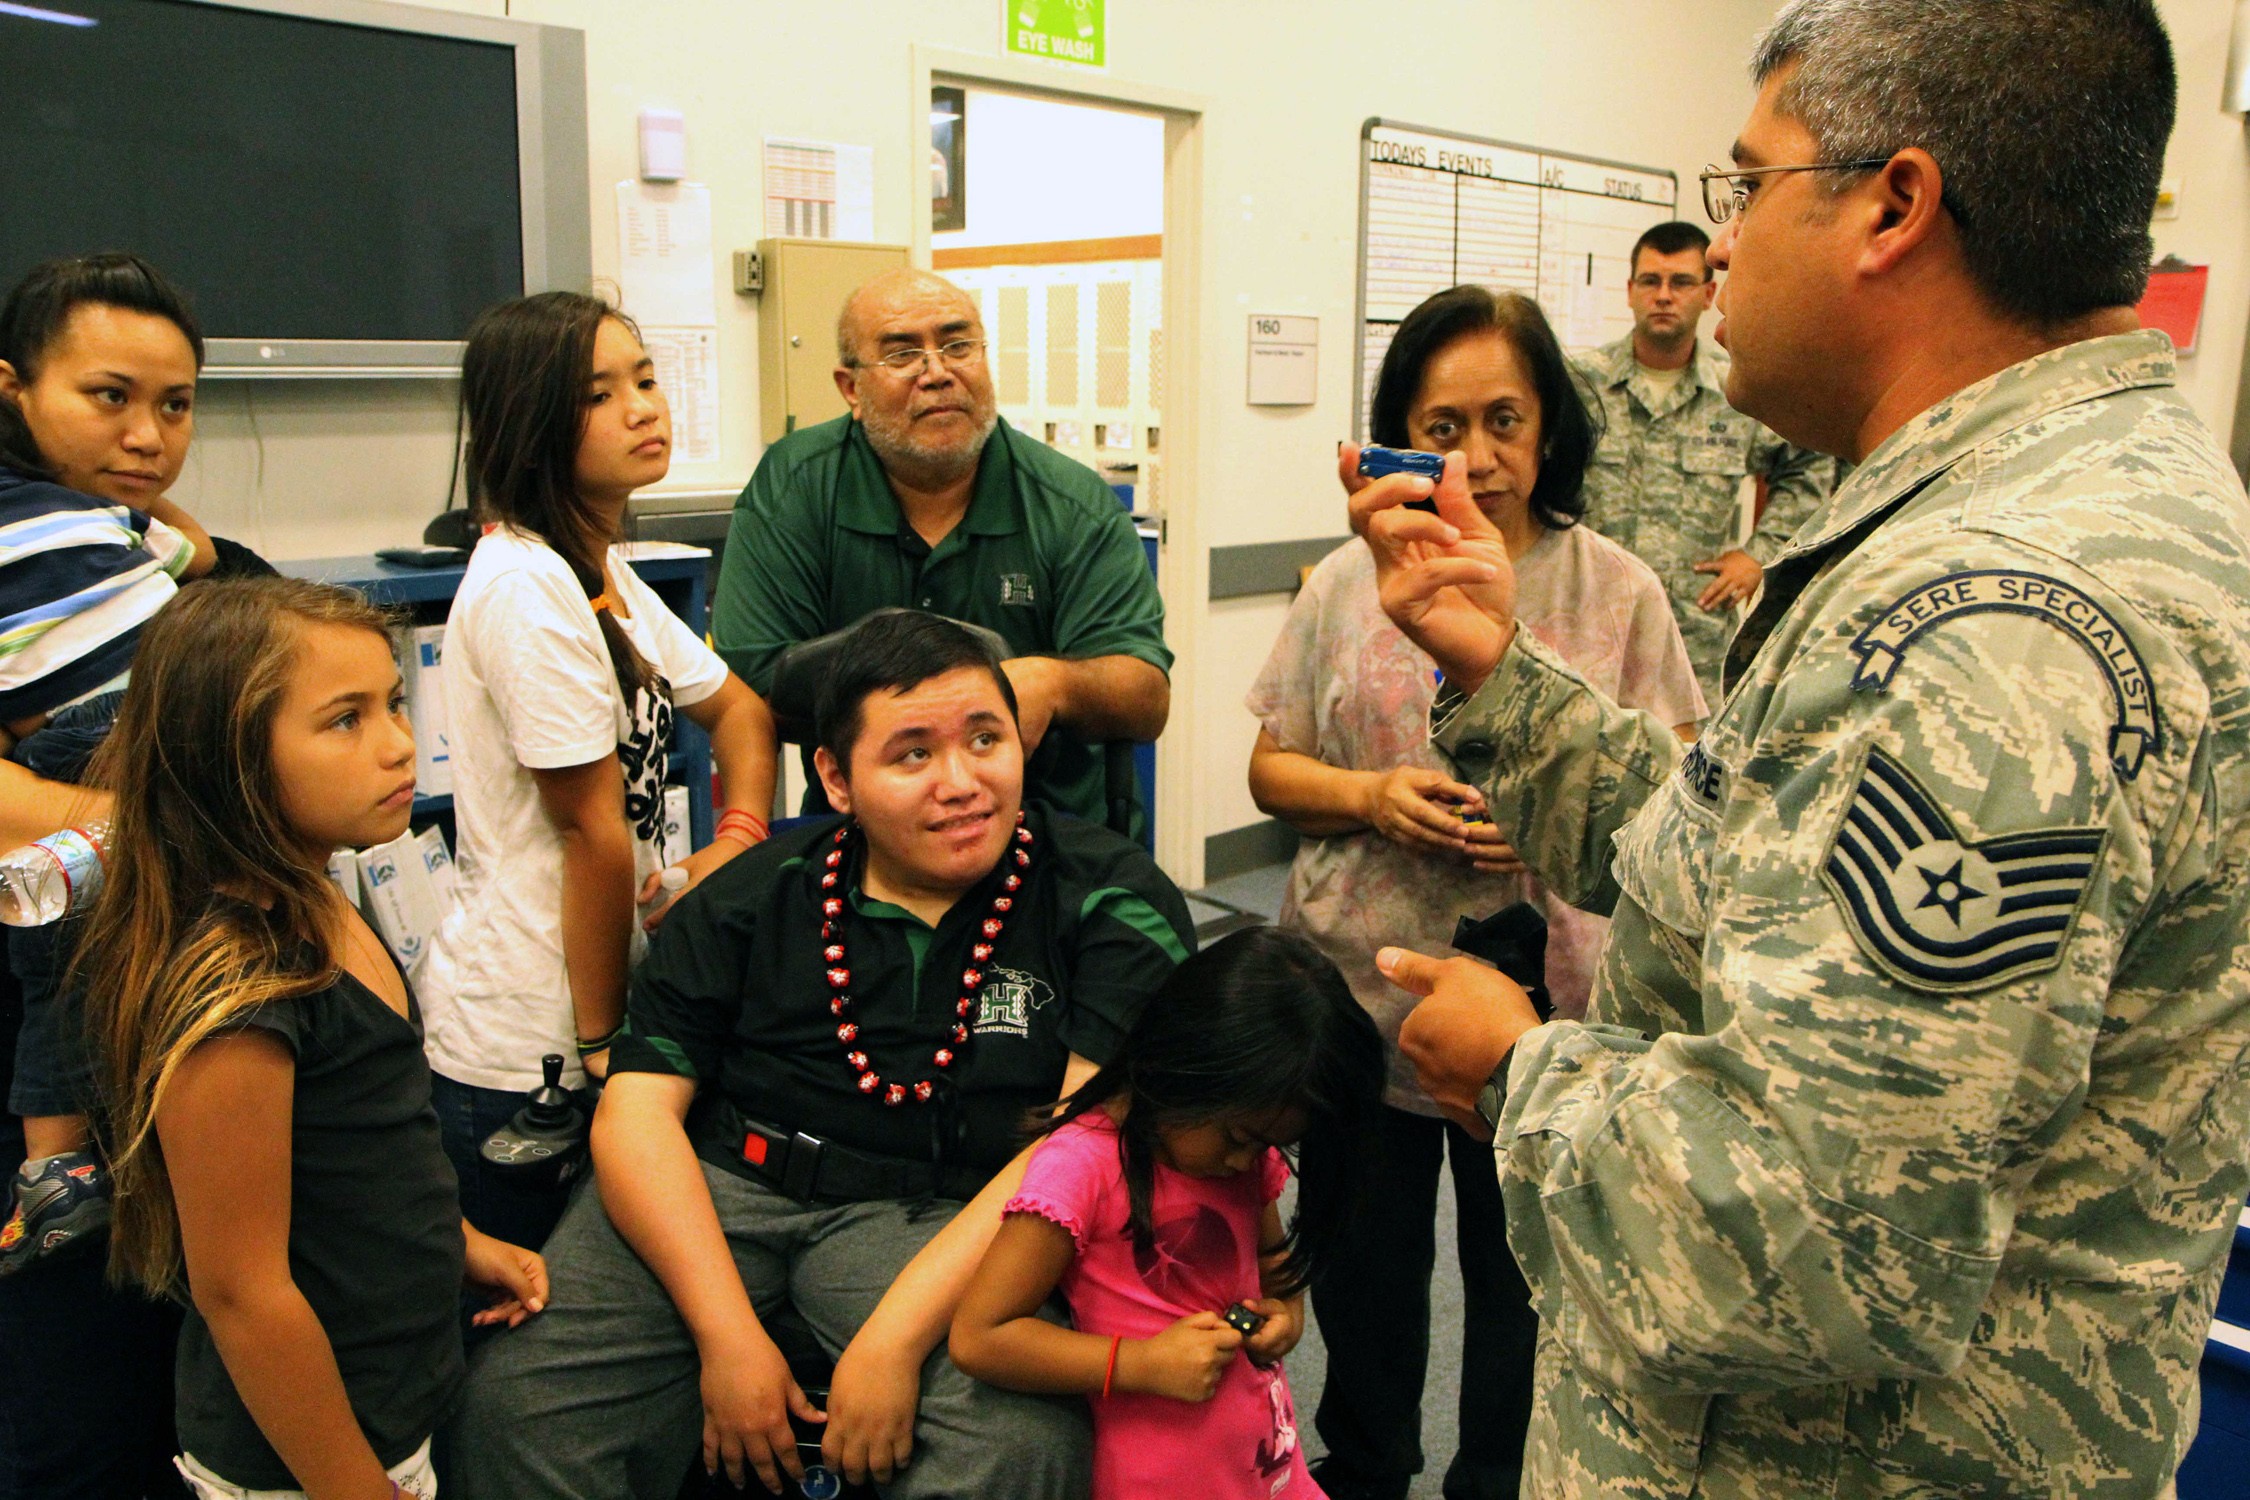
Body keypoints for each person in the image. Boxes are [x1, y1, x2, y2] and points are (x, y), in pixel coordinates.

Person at [1351, 3, 2250, 1496]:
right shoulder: (2077, 501)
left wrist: (1518, 1071)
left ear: (1890, 207)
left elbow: (1809, 1242)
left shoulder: (1994, 616)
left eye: (1744, 184)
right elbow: (1748, 860)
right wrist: (1499, 676)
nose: (1719, 253)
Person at [452, 609, 1195, 1500]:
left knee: (1019, 1445)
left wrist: (892, 1345)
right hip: (722, 1188)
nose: (961, 782)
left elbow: (1074, 1147)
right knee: (511, 1412)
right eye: (912, 754)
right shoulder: (749, 898)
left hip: (946, 1209)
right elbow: (639, 1116)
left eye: (986, 739)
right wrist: (727, 1340)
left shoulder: (1109, 895)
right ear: (836, 780)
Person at [1247, 285, 1702, 1500]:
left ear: (1553, 426)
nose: (1478, 456)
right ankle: (1370, 1468)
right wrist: (1371, 799)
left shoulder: (1621, 592)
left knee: (1527, 1295)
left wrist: (1551, 812)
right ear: (1397, 435)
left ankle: (1499, 1478)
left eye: (1507, 418)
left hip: (1552, 1018)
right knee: (1370, 1283)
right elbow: (1270, 763)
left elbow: (1681, 808)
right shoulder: (1351, 578)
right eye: (1441, 427)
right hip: (1364, 996)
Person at [74, 576, 548, 1499]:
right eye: (345, 721)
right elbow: (243, 1295)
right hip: (304, 1466)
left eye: (396, 705)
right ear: (232, 759)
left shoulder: (321, 895)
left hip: (389, 1414)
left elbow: (360, 1160)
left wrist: (459, 1242)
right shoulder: (239, 997)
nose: (399, 745)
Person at [418, 291, 778, 1252]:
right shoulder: (527, 589)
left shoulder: (601, 574)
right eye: (599, 394)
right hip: (534, 1037)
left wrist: (737, 839)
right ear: (530, 420)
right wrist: (602, 1050)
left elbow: (741, 711)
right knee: (530, 1321)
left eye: (647, 380)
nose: (644, 409)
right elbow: (589, 832)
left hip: (606, 998)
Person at [711, 267, 1169, 833]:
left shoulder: (1070, 502)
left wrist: (1054, 683)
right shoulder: (796, 487)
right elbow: (748, 689)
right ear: (851, 388)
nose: (938, 373)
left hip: (1048, 837)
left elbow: (1147, 697)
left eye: (958, 346)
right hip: (864, 841)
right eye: (903, 355)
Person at [949, 925, 1385, 1500]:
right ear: (1184, 1064)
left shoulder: (1244, 1156)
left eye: (1268, 1145)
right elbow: (981, 1337)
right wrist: (1140, 1363)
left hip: (1266, 1468)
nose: (1247, 1160)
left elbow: (1274, 1262)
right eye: (1237, 1137)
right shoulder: (1081, 1167)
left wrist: (1287, 1312)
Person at [1572, 219, 1834, 707]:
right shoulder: (1579, 385)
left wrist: (1760, 555)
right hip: (1589, 629)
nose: (1664, 295)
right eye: (1650, 281)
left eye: (1682, 282)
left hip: (1694, 640)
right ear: (1630, 291)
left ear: (1709, 293)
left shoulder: (1736, 391)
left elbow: (1810, 463)